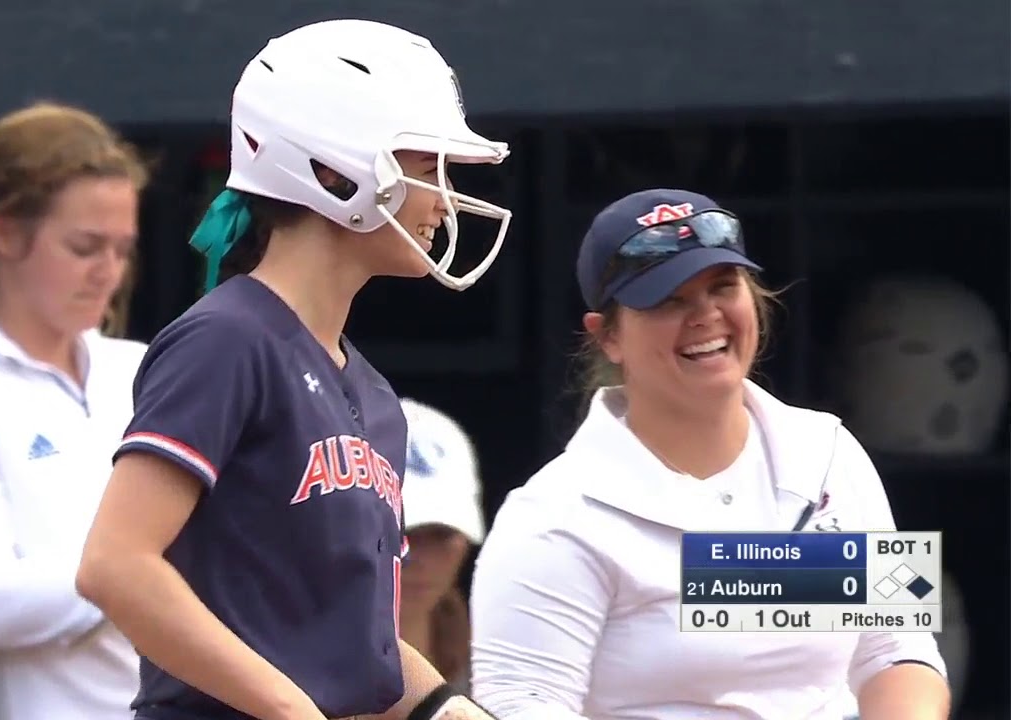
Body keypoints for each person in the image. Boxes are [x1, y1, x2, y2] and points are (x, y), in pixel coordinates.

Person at [74, 19, 513, 720]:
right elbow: (116, 566)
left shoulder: (375, 397)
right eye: (425, 165)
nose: (444, 197)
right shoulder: (226, 338)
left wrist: (453, 713)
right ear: (334, 172)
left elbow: (350, 648)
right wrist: (291, 711)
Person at [468, 188, 951, 720]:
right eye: (667, 299)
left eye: (723, 287)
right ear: (607, 336)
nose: (705, 315)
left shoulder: (827, 452)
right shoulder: (556, 517)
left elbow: (896, 648)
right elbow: (523, 708)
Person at [0, 101, 150, 720]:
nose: (109, 273)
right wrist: (144, 566)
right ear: (4, 232)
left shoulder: (143, 368)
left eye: (122, 250)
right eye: (84, 247)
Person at [398, 398, 488, 693]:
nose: (414, 557)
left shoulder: (507, 669)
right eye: (397, 531)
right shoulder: (275, 669)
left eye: (440, 533)